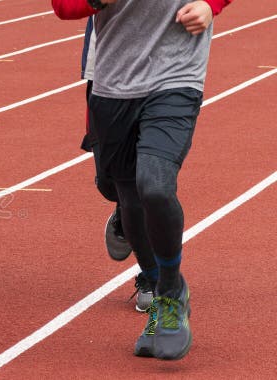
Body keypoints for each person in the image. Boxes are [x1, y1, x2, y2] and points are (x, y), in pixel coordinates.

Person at [52, 0, 231, 361]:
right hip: (114, 83)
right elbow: (62, 6)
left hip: (176, 76)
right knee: (127, 198)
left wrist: (211, 5)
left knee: (155, 184)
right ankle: (160, 281)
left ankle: (167, 294)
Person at [78, 15, 155, 313]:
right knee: (109, 182)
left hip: (161, 71)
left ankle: (152, 276)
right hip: (106, 70)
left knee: (151, 180)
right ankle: (124, 210)